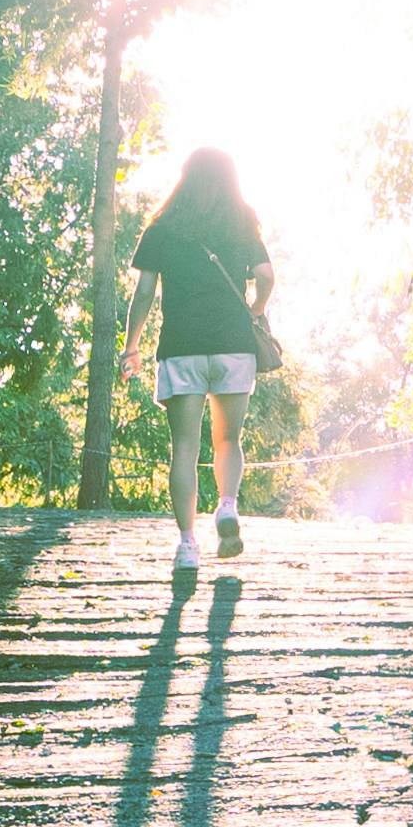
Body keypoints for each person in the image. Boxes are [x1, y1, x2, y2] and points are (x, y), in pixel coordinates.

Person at [128, 142, 273, 571]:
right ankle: (227, 505)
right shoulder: (242, 219)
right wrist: (255, 310)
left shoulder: (162, 226)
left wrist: (131, 346)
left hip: (181, 348)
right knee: (228, 440)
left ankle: (188, 545)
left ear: (186, 177)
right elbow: (266, 275)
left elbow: (143, 293)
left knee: (185, 449)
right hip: (233, 344)